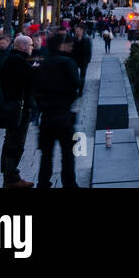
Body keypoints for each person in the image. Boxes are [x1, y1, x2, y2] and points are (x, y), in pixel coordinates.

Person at [34, 32, 81, 189]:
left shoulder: (43, 63)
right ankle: (69, 183)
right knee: (68, 153)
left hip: (46, 116)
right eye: (68, 44)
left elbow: (36, 89)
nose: (71, 46)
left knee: (46, 155)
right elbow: (76, 85)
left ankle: (43, 184)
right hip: (63, 115)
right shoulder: (68, 62)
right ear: (61, 45)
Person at [0, 35, 35, 189]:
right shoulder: (17, 62)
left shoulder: (12, 59)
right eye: (30, 45)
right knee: (15, 143)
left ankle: (11, 176)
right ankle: (11, 178)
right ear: (23, 47)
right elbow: (29, 80)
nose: (32, 48)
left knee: (12, 142)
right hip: (17, 109)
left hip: (14, 108)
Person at [71, 24, 93, 94]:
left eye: (78, 30)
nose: (76, 32)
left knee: (82, 77)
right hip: (75, 60)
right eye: (76, 30)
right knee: (75, 76)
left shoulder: (87, 40)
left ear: (82, 31)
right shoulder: (73, 40)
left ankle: (80, 91)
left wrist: (87, 61)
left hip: (84, 61)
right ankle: (75, 88)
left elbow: (89, 51)